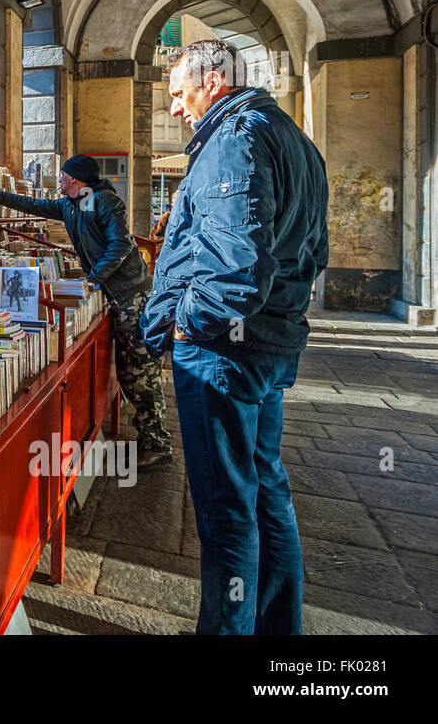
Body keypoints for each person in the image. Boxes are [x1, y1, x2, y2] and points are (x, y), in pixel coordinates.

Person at [141, 39, 328, 636]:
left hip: (224, 352)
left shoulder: (231, 141)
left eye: (178, 93)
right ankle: (278, 630)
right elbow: (312, 253)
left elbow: (235, 270)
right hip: (270, 344)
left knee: (226, 510)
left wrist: (183, 322)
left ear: (213, 79)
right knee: (266, 487)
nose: (174, 109)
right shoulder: (296, 141)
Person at [0, 157, 172, 467]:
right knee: (129, 368)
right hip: (115, 294)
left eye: (64, 175)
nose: (60, 180)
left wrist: (93, 279)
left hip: (132, 296)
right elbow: (33, 205)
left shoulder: (104, 201)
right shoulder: (68, 204)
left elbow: (120, 246)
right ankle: (151, 439)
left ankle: (157, 442)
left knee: (141, 368)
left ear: (77, 179)